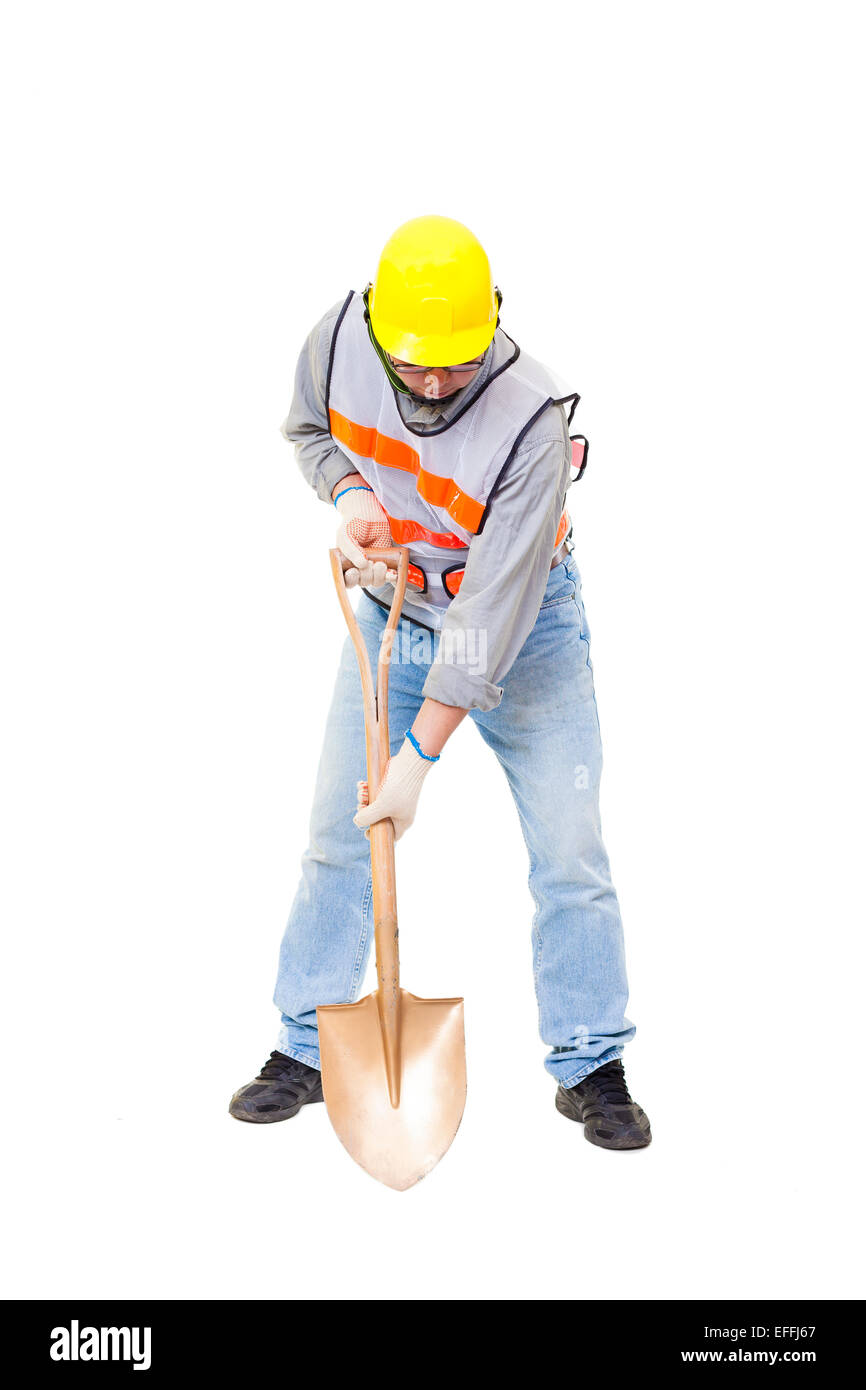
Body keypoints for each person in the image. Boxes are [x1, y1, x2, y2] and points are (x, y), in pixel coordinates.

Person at [229, 215, 651, 1150]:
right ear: (379, 324)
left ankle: (590, 1063)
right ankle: (304, 1043)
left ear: (491, 324)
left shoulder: (533, 420)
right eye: (412, 364)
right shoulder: (340, 339)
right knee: (337, 837)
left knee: (570, 848)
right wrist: (352, 499)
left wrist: (419, 757)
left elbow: (491, 618)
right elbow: (309, 431)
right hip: (390, 609)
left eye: (451, 367)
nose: (428, 384)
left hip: (525, 627)